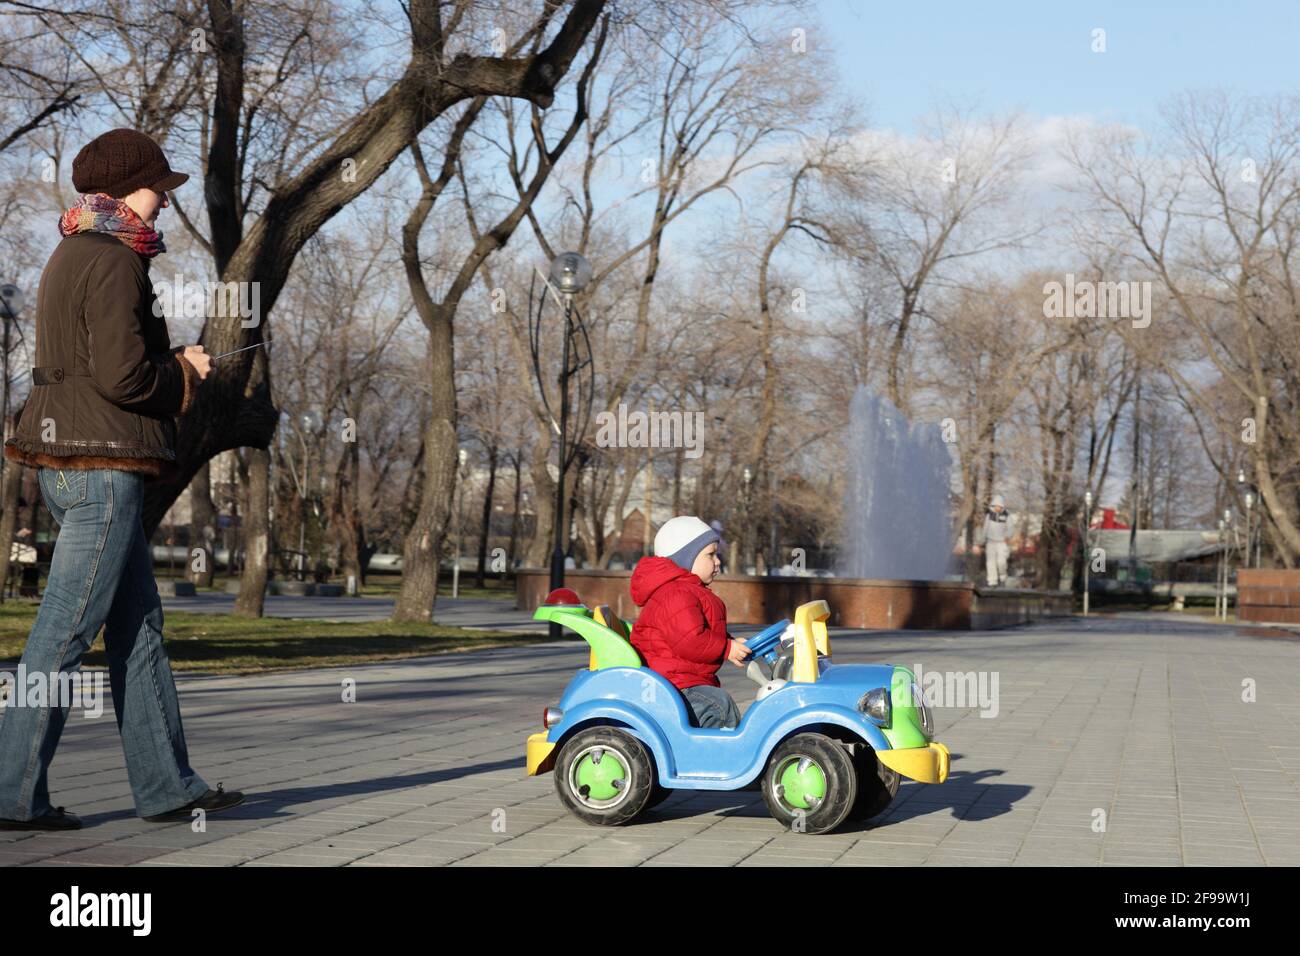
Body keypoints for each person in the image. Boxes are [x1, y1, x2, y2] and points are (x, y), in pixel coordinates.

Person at [0, 129, 244, 830]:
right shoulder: (112, 261)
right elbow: (124, 376)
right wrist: (184, 375)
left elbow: (91, 366)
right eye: (159, 189)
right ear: (127, 189)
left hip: (80, 463)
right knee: (63, 634)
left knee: (138, 629)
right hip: (101, 470)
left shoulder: (71, 251)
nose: (164, 203)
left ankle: (168, 786)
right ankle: (12, 794)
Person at [628, 515, 751, 729]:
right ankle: (719, 759)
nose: (718, 561)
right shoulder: (675, 594)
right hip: (673, 685)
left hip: (683, 680)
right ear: (686, 557)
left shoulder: (687, 591)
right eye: (710, 555)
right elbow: (690, 640)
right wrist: (726, 648)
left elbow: (699, 629)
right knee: (719, 708)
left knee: (718, 701)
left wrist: (730, 642)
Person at [982, 493, 1013, 587]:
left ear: (1002, 506)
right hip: (991, 542)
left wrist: (1008, 536)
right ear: (993, 505)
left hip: (1002, 542)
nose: (998, 508)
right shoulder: (989, 515)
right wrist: (982, 539)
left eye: (1000, 506)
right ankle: (992, 582)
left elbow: (1011, 528)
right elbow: (985, 527)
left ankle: (1003, 577)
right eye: (996, 506)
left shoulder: (1006, 515)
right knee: (990, 562)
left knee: (1001, 562)